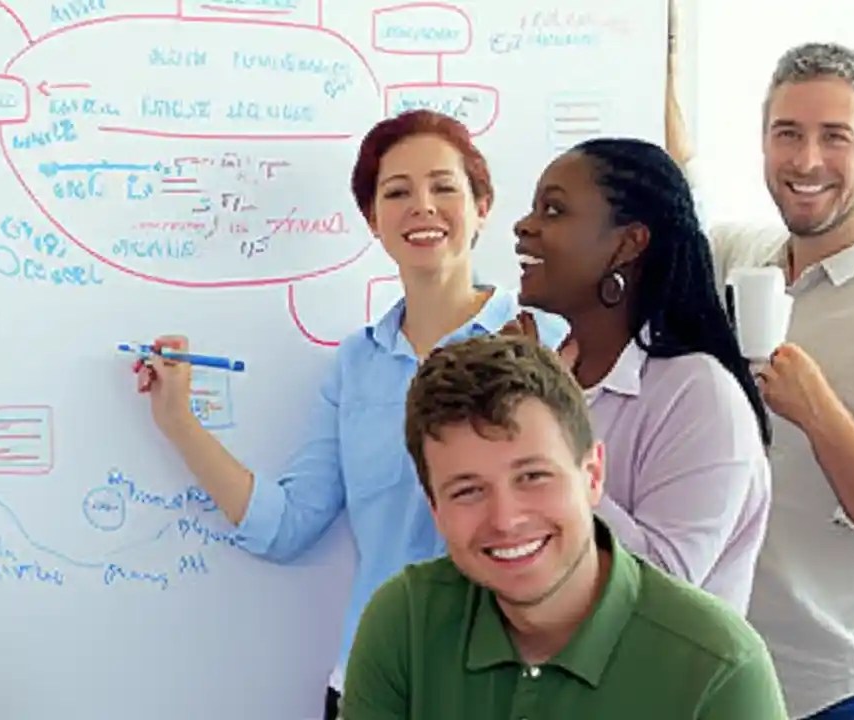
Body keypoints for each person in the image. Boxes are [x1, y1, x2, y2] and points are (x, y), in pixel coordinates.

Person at [135, 109, 567, 717]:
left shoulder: (545, 341)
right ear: (373, 219)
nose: (422, 206)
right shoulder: (356, 367)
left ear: (482, 205)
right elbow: (287, 527)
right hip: (378, 680)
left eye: (444, 186)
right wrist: (178, 420)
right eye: (397, 192)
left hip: (512, 685)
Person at [669, 40, 854, 719]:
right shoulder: (734, 253)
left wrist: (819, 412)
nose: (806, 161)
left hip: (843, 691)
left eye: (835, 137)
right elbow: (671, 199)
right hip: (716, 677)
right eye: (788, 134)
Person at [341, 334, 788, 719]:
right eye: (467, 491)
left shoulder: (720, 669)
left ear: (593, 475)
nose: (506, 519)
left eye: (533, 476)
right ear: (434, 508)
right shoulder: (403, 621)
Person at [504, 137, 772, 613]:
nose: (524, 227)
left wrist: (541, 423)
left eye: (554, 211)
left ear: (628, 243)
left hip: (663, 686)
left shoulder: (697, 393)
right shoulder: (554, 369)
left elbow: (661, 587)